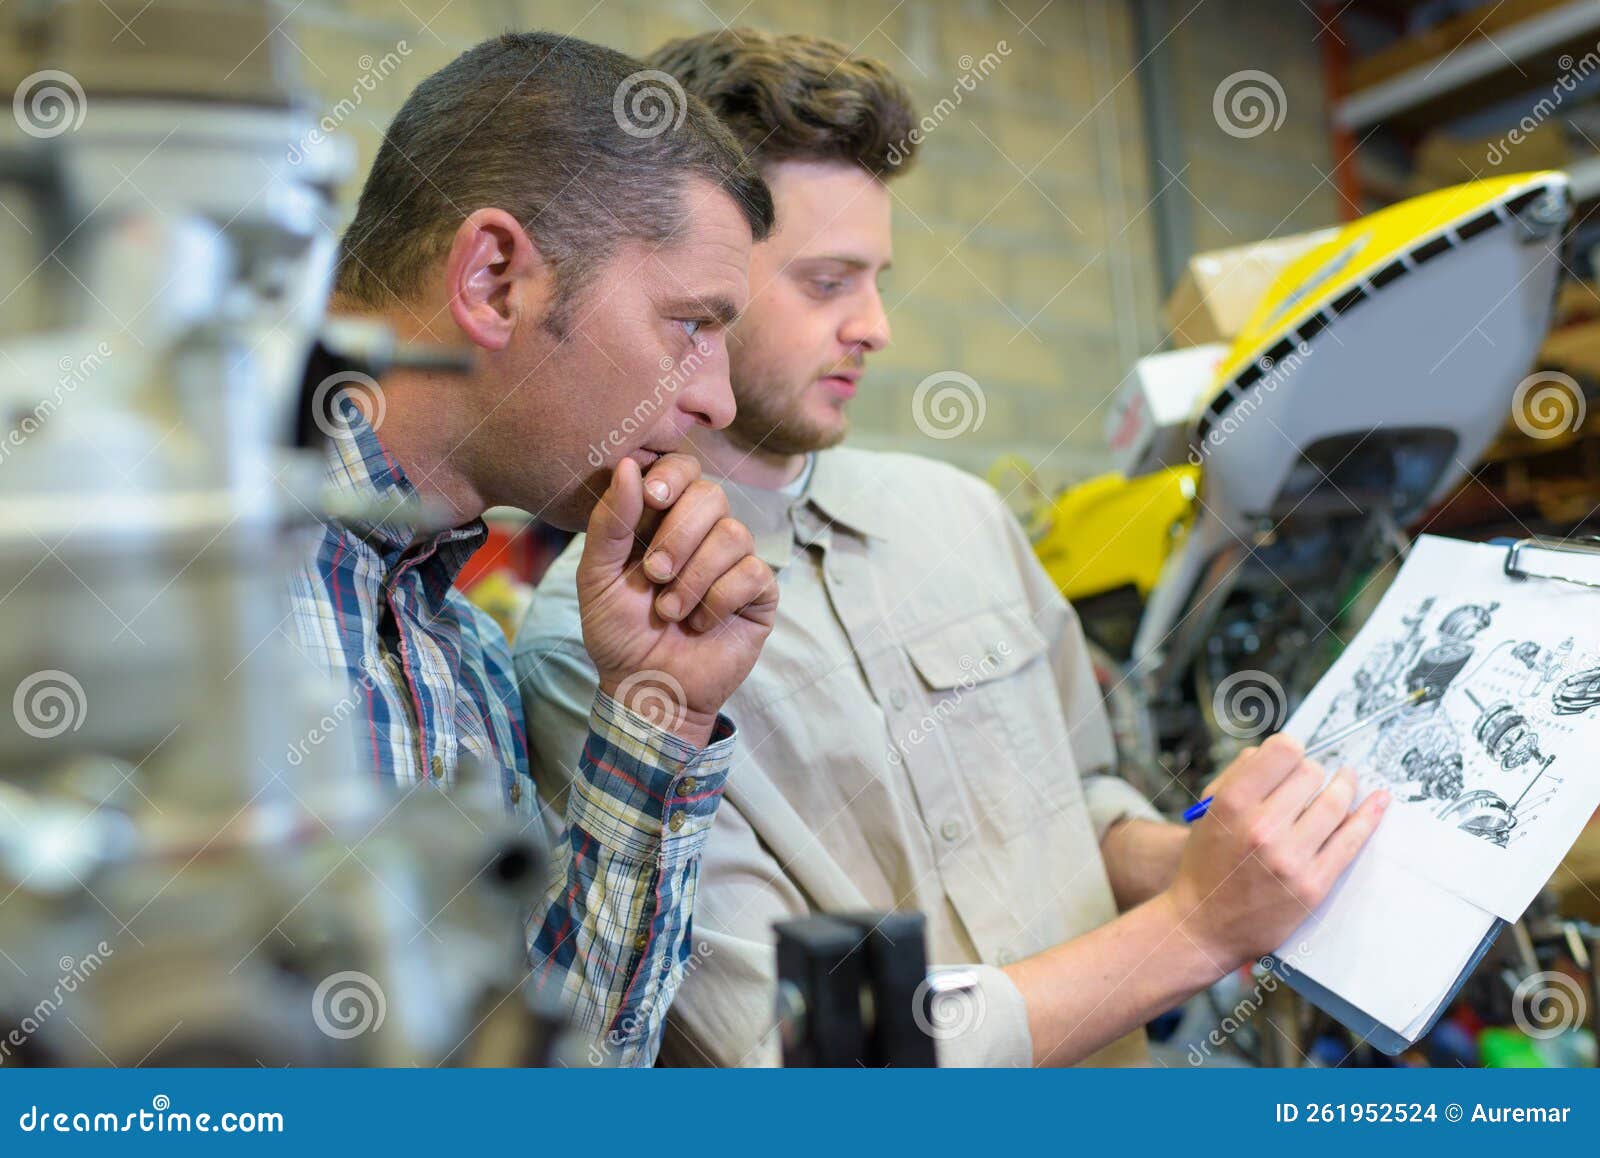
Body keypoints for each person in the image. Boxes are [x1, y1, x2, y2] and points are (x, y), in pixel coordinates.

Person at [515, 28, 1388, 1067]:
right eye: (828, 282)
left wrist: (1208, 859)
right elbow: (787, 1060)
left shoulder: (960, 517)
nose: (876, 326)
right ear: (697, 283)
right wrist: (1196, 928)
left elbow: (1080, 802)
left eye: (876, 279)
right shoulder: (601, 649)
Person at [290, 32, 781, 1066]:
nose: (717, 399)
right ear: (495, 280)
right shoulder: (130, 571)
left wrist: (659, 712)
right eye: (691, 325)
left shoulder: (460, 654)